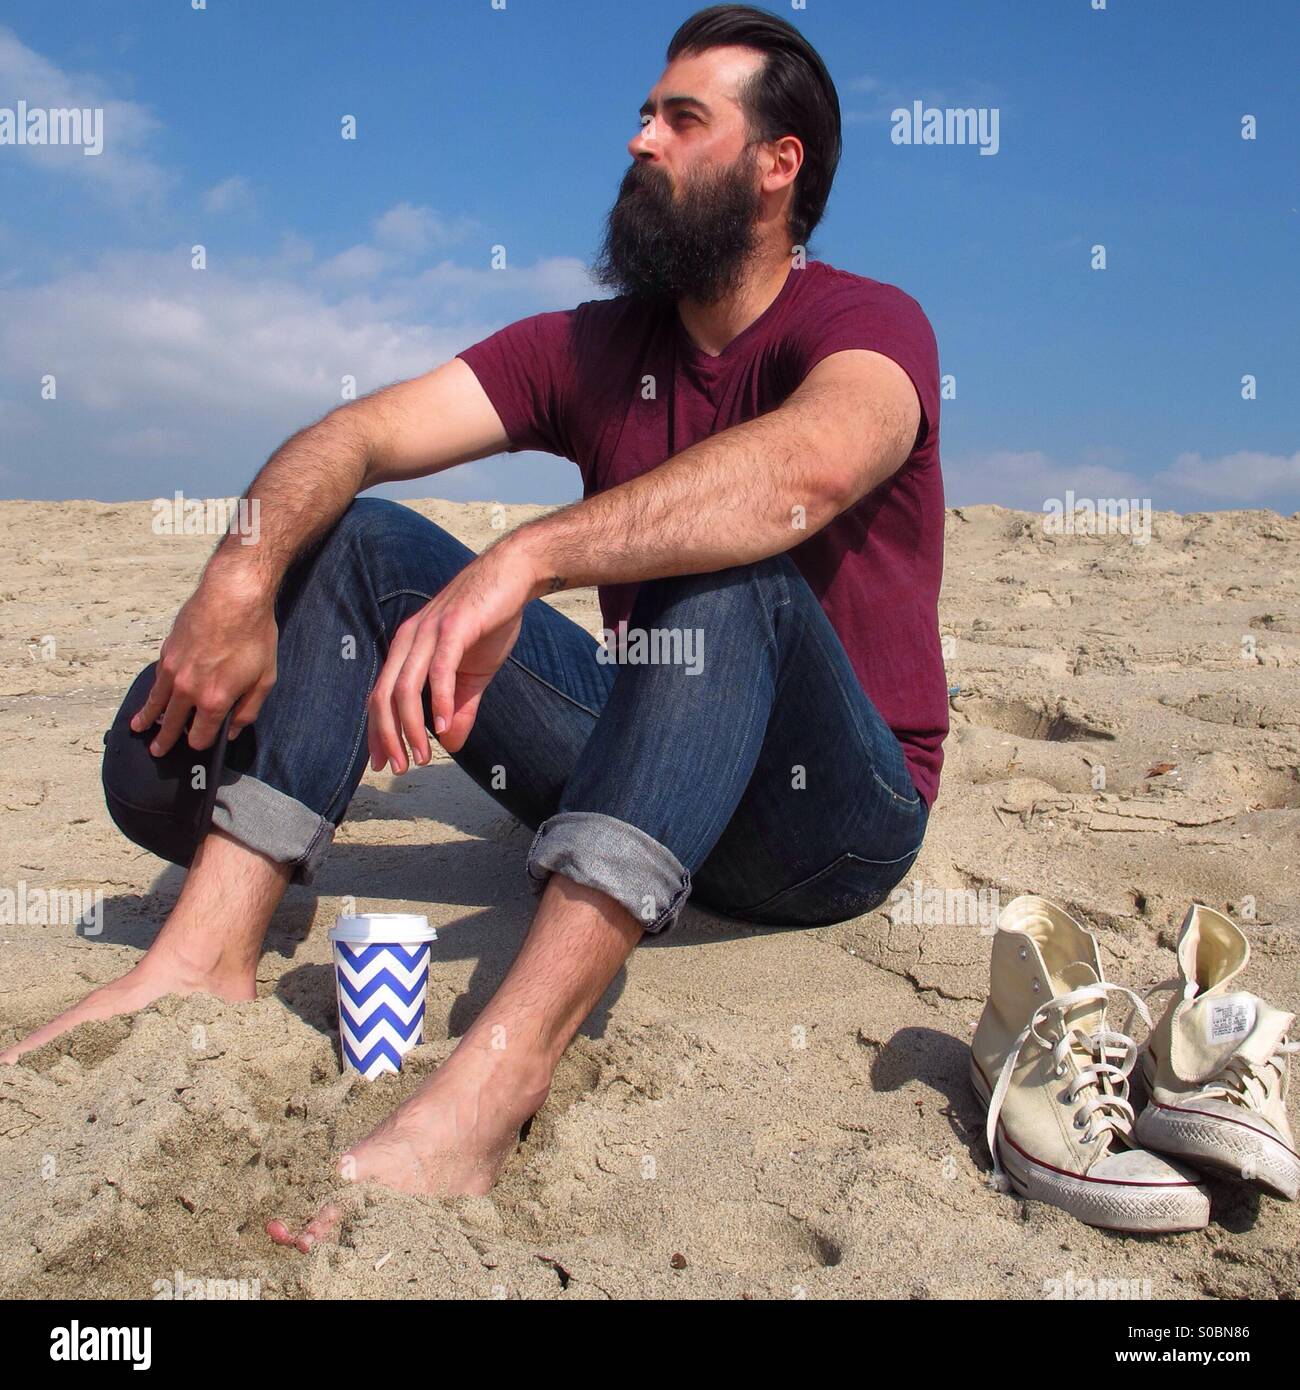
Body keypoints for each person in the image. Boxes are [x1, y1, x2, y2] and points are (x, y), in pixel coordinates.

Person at [2, 4, 947, 1250]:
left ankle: (497, 1076)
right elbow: (361, 434)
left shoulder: (869, 323)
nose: (639, 138)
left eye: (681, 118)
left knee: (727, 578)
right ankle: (207, 947)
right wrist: (239, 573)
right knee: (364, 534)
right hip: (653, 761)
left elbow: (801, 480)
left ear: (780, 165)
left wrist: (527, 556)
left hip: (825, 820)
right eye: (644, 112)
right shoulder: (596, 344)